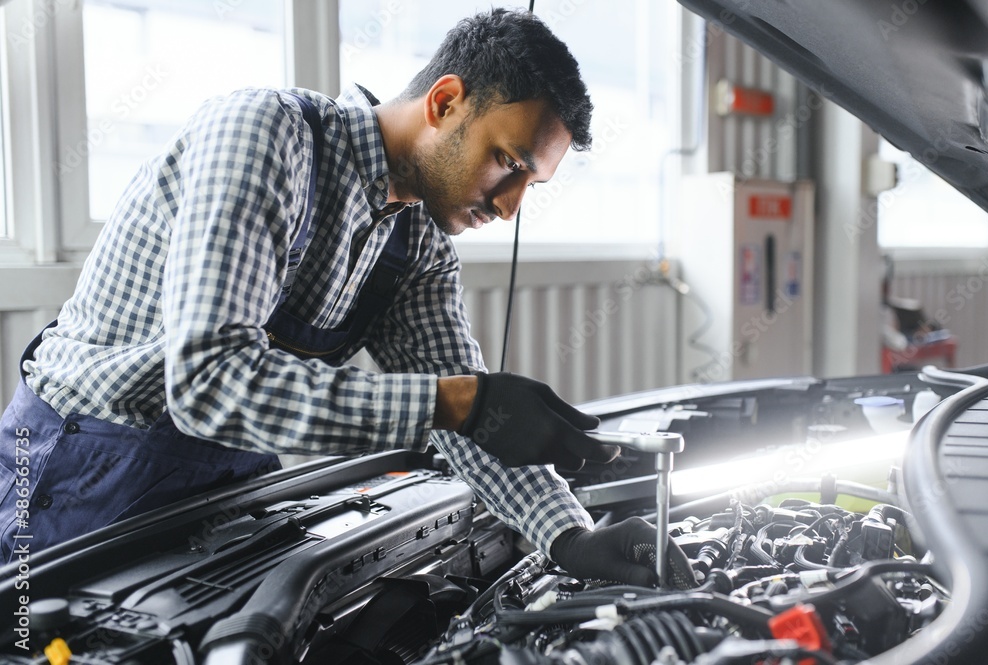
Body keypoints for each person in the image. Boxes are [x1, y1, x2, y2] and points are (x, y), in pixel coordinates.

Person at [0, 8, 669, 586]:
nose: (511, 204)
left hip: (219, 484)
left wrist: (569, 535)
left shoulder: (418, 245)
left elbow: (467, 410)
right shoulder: (265, 135)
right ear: (444, 102)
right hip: (75, 471)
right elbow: (207, 381)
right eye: (509, 163)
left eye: (532, 184)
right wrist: (458, 403)